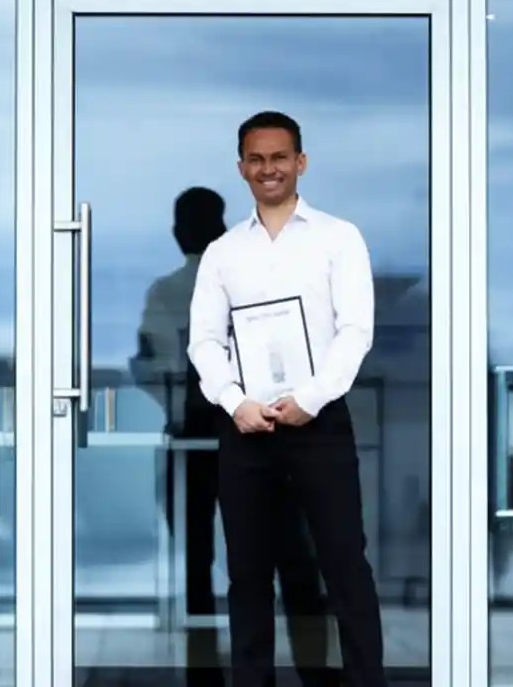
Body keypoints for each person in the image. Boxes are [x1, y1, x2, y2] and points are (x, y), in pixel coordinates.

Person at [188, 111, 386, 686]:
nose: (267, 169)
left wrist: (311, 397)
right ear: (241, 168)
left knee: (345, 567)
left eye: (279, 157)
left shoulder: (338, 237)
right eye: (256, 159)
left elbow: (356, 331)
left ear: (300, 162)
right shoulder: (223, 253)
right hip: (247, 429)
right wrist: (233, 401)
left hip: (319, 424)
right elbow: (204, 340)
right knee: (249, 577)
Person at [131, 185, 334, 686]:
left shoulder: (164, 291)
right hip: (259, 429)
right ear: (223, 225)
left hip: (193, 436)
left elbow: (147, 364)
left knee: (197, 562)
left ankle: (205, 677)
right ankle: (314, 671)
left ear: (180, 233)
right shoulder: (251, 278)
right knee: (288, 555)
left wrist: (177, 406)